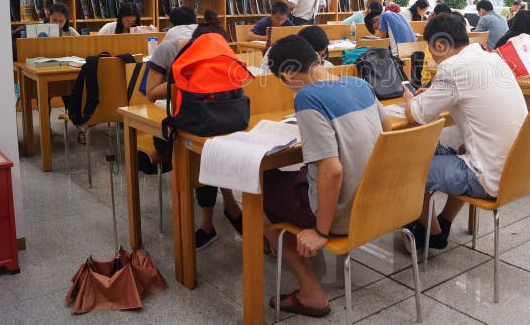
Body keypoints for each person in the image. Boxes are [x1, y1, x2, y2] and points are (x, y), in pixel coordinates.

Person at [263, 35, 392, 317]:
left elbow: (332, 171)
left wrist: (321, 231)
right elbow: (388, 129)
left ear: (287, 73)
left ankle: (310, 292)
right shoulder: (359, 84)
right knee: (301, 173)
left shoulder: (307, 97)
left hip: (342, 216)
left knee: (259, 191)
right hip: (377, 204)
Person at [402, 13, 527, 249]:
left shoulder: (452, 67)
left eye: (432, 52)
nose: (434, 59)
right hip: (519, 171)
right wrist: (433, 94)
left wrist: (409, 97)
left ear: (440, 45)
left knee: (409, 171)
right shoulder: (492, 58)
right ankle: (445, 221)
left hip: (491, 175)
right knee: (461, 148)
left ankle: (434, 235)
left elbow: (416, 115)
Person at [145, 19, 242, 250]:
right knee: (206, 151)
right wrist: (188, 83)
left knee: (213, 146)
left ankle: (222, 214)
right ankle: (222, 213)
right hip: (167, 129)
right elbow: (150, 93)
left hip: (202, 121)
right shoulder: (171, 50)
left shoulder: (219, 55)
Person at [260, 25, 335, 72]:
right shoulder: (277, 53)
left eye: (322, 55)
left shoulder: (324, 64)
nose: (320, 60)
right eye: (317, 56)